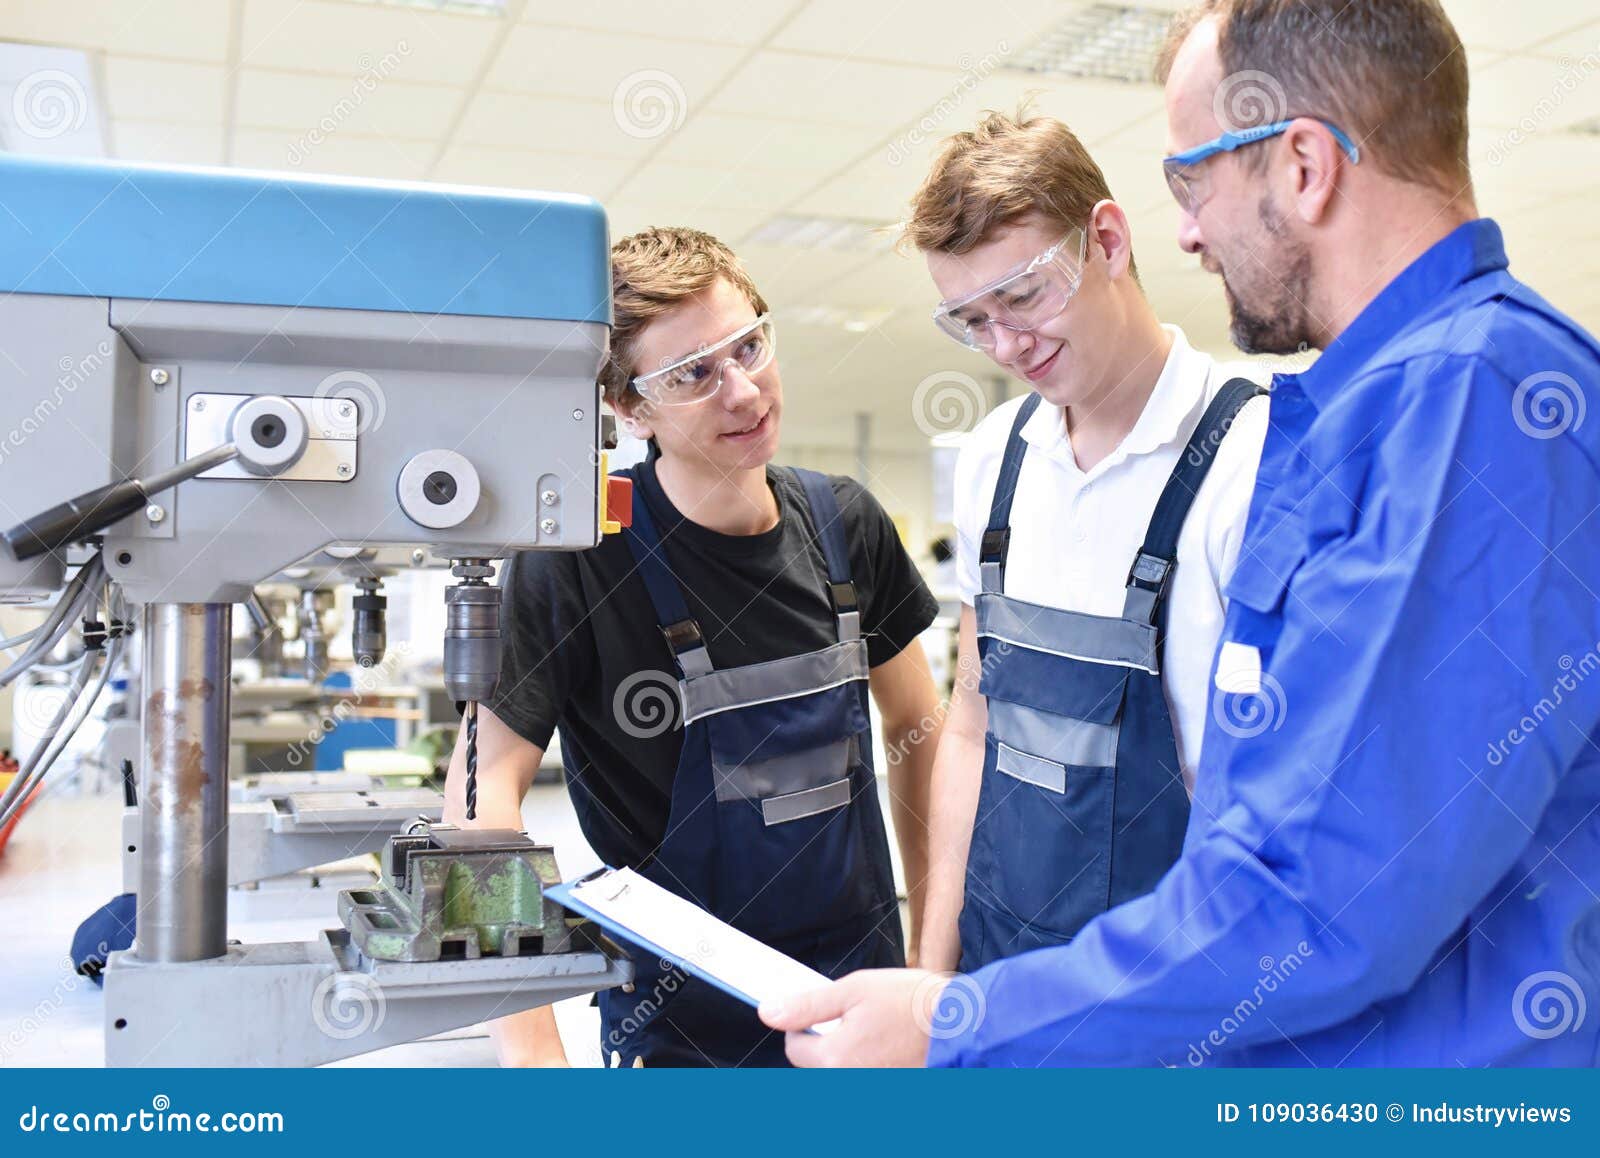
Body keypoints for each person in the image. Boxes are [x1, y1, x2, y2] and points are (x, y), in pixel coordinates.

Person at [761, 0, 1600, 1067]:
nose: (1190, 234)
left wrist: (955, 1025)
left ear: (1304, 166)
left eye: (1193, 180)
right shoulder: (1382, 407)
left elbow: (1321, 899)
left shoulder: (1470, 402)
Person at [446, 227, 942, 1067]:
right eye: (692, 374)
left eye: (749, 346)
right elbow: (477, 801)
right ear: (629, 408)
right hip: (681, 1029)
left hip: (862, 1006)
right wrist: (533, 1062)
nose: (743, 392)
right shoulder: (579, 559)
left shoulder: (846, 525)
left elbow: (922, 733)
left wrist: (932, 955)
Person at [902, 110, 1267, 977]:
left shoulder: (1250, 460)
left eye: (1023, 295)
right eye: (972, 319)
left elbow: (1272, 797)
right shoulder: (994, 459)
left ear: (1106, 240)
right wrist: (933, 975)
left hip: (1171, 990)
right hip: (1001, 972)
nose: (1007, 344)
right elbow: (971, 727)